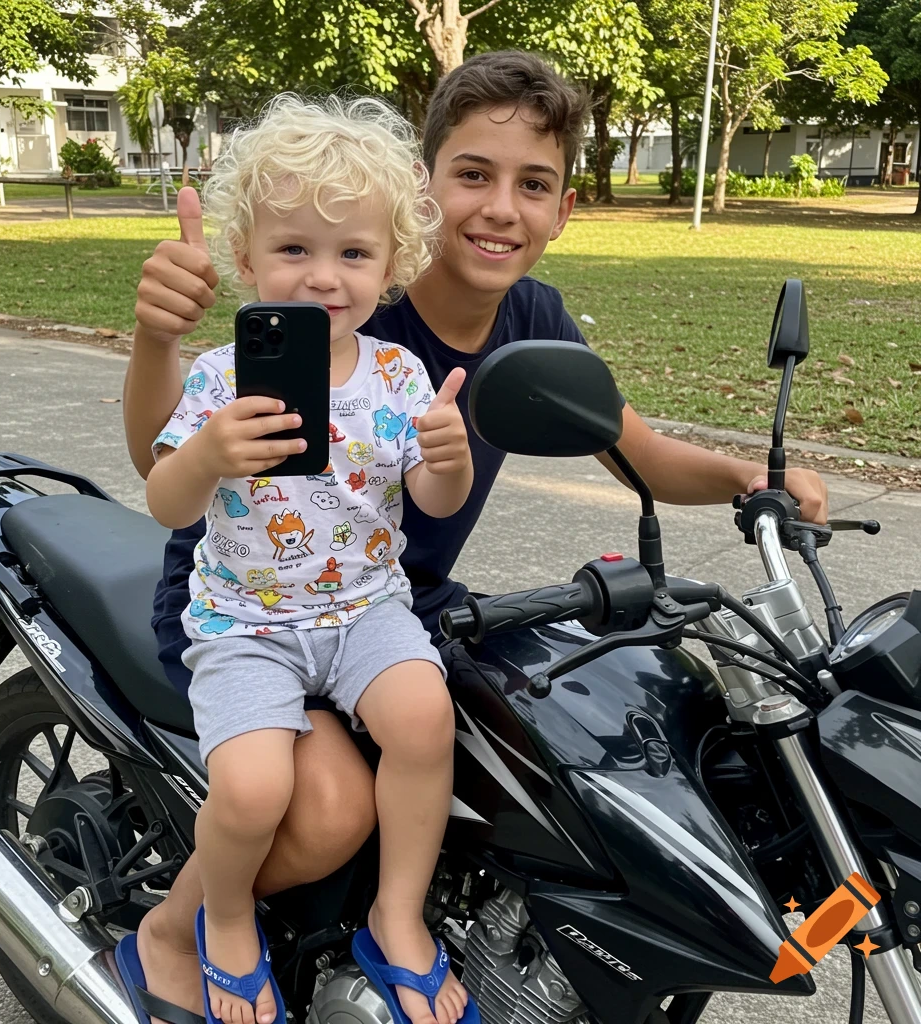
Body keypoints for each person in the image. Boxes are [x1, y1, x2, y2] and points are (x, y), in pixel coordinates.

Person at [122, 49, 829, 1024]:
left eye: (531, 185)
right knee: (327, 812)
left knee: (519, 731)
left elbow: (640, 454)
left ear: (562, 210)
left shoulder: (530, 318)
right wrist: (156, 339)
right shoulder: (336, 287)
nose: (501, 208)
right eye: (472, 175)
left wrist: (753, 478)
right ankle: (175, 925)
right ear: (422, 188)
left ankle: (414, 918)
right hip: (253, 600)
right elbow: (159, 467)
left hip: (382, 603)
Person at [143, 94, 476, 1024]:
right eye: (294, 249)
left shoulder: (400, 376)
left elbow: (431, 502)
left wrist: (447, 462)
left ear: (392, 264)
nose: (324, 278)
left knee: (423, 719)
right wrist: (207, 453)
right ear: (245, 256)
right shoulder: (216, 377)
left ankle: (396, 914)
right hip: (247, 622)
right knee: (253, 789)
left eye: (354, 253)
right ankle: (223, 915)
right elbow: (164, 498)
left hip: (365, 608)